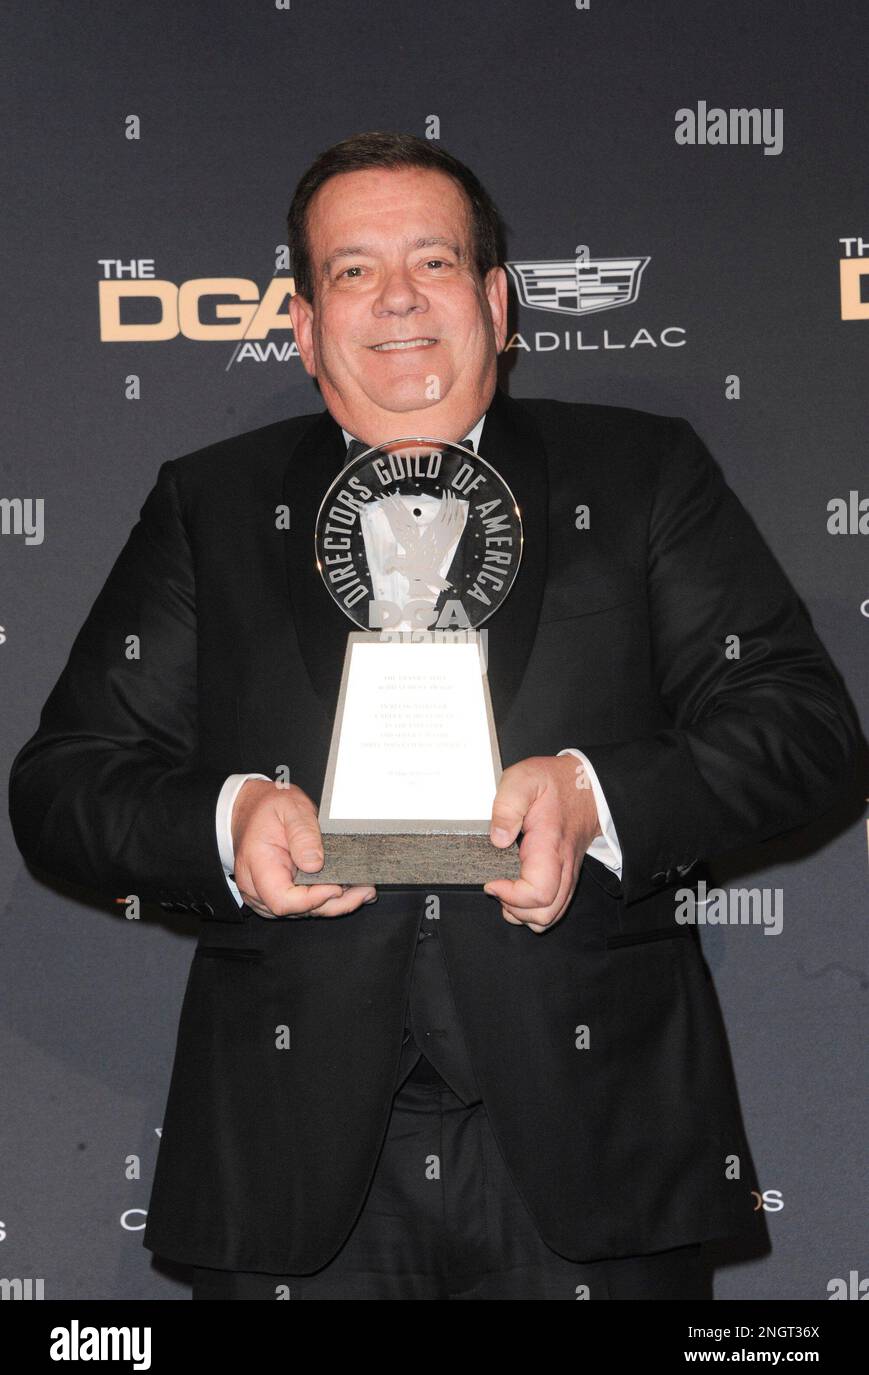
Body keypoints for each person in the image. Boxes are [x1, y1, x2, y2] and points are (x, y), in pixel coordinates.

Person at [9, 132, 858, 1301]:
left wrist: (592, 796)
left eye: (435, 261)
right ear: (302, 325)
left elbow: (803, 726)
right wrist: (229, 821)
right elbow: (65, 783)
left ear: (497, 303)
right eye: (352, 270)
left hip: (591, 1151)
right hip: (293, 1162)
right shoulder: (210, 505)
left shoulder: (643, 471)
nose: (398, 297)